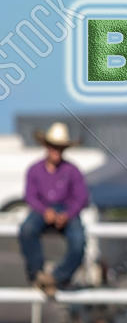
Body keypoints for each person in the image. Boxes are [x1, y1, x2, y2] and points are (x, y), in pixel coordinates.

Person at [20, 122, 90, 297]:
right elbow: (30, 196)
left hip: (66, 210)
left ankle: (54, 277)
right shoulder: (35, 170)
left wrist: (67, 214)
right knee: (27, 230)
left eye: (59, 148)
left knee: (79, 241)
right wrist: (45, 211)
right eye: (53, 147)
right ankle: (38, 272)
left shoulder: (72, 171)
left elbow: (81, 197)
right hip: (42, 210)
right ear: (46, 147)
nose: (56, 151)